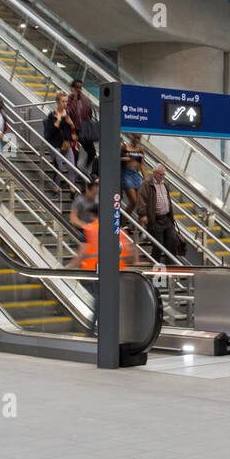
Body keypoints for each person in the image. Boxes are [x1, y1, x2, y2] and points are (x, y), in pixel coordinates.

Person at [66, 204, 132, 336]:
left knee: (99, 303)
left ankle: (93, 331)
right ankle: (112, 330)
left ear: (93, 215)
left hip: (95, 272)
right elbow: (129, 251)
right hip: (118, 272)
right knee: (109, 303)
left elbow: (82, 253)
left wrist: (68, 268)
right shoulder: (117, 229)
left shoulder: (89, 229)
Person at [143, 164, 184, 263]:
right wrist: (143, 214)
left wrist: (172, 215)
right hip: (155, 219)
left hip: (167, 219)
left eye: (163, 175)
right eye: (160, 174)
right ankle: (155, 266)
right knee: (158, 245)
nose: (162, 177)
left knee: (172, 242)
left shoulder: (165, 184)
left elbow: (168, 200)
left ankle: (170, 266)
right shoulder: (147, 184)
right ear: (154, 173)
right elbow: (142, 200)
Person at [44, 92, 77, 187]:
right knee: (60, 168)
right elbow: (50, 133)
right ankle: (56, 188)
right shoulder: (52, 115)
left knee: (71, 167)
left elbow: (73, 131)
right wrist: (58, 122)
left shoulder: (68, 114)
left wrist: (71, 124)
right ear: (57, 102)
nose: (65, 104)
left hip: (66, 144)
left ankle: (72, 189)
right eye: (63, 101)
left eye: (66, 101)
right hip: (55, 145)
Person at [66, 80, 96, 175]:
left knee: (92, 152)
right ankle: (72, 174)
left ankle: (84, 169)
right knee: (75, 151)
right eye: (77, 87)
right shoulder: (68, 100)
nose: (79, 90)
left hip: (83, 131)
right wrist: (74, 99)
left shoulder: (84, 100)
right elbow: (68, 112)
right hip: (73, 131)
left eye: (80, 87)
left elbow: (89, 114)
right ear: (73, 89)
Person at [120, 134, 147, 216]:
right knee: (133, 201)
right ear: (132, 137)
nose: (137, 140)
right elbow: (115, 158)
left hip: (136, 174)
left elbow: (142, 163)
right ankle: (121, 222)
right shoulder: (124, 147)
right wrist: (126, 158)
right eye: (136, 138)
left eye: (139, 138)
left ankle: (125, 221)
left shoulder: (141, 149)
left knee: (139, 203)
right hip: (127, 173)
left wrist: (145, 176)